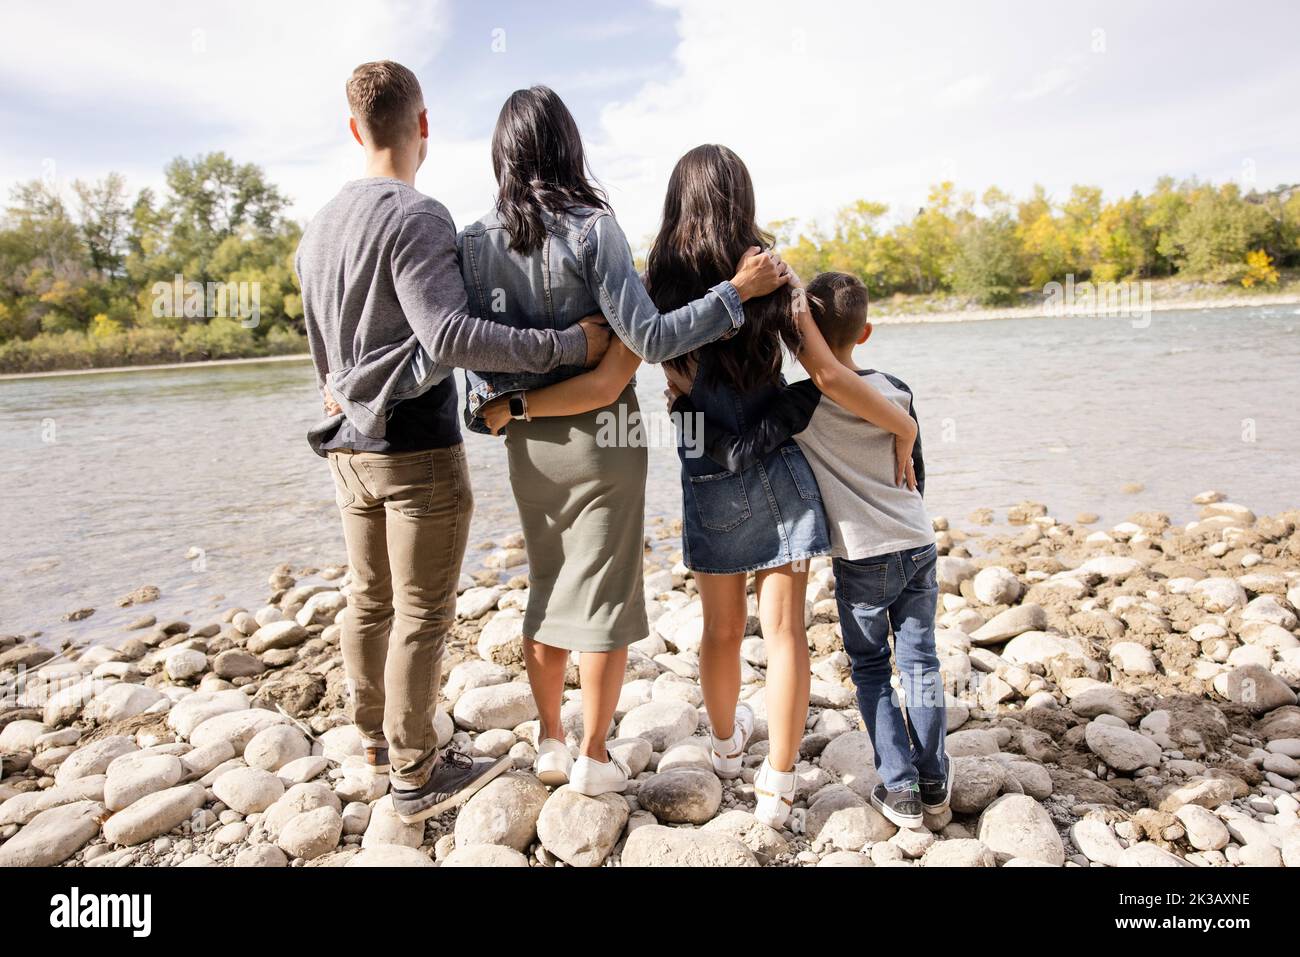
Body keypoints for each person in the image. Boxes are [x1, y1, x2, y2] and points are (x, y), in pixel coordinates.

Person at [295, 62, 612, 825]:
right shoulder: (418, 215)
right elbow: (453, 337)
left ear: (352, 129)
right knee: (421, 612)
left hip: (345, 448)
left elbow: (321, 352)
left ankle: (375, 742)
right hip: (413, 451)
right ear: (424, 126)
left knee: (367, 599)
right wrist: (569, 344)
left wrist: (342, 393)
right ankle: (415, 774)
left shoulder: (317, 227)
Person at [467, 88, 789, 796]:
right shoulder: (593, 229)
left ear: (504, 154)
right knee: (604, 594)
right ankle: (592, 752)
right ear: (567, 145)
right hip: (602, 436)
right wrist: (733, 292)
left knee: (547, 581)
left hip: (525, 439)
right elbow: (651, 339)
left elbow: (470, 349)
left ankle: (549, 736)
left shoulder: (474, 241)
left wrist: (499, 406)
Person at [669, 271, 947, 828]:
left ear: (798, 339)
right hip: (918, 546)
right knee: (920, 661)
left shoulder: (804, 402)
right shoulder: (896, 388)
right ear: (864, 332)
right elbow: (915, 471)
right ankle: (935, 779)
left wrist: (683, 408)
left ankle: (901, 789)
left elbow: (738, 453)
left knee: (870, 669)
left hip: (863, 557)